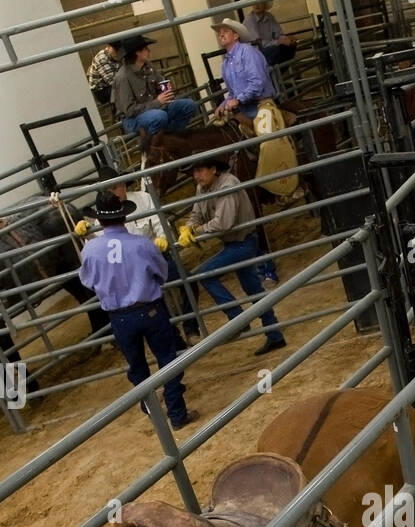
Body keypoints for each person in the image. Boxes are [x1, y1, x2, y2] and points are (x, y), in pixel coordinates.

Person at [79, 191, 197, 429]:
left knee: (137, 365)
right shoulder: (142, 245)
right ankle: (177, 413)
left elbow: (87, 282)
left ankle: (150, 406)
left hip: (118, 316)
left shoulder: (90, 250)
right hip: (150, 309)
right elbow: (161, 274)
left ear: (99, 221)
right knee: (167, 358)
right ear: (124, 217)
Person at [178, 156, 286, 356]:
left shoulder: (228, 184)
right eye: (194, 172)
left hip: (243, 241)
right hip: (236, 241)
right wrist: (189, 227)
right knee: (253, 289)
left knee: (205, 274)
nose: (196, 176)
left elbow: (223, 223)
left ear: (213, 169)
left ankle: (237, 319)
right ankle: (275, 335)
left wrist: (197, 231)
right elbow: (197, 213)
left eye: (200, 170)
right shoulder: (203, 187)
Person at [74, 172, 202, 341]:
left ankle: (191, 328)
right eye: (108, 189)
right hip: (132, 268)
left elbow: (158, 222)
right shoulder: (102, 216)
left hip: (154, 256)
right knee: (153, 301)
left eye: (115, 187)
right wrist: (88, 233)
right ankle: (174, 337)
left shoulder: (144, 198)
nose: (113, 192)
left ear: (124, 185)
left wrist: (163, 237)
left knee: (188, 281)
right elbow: (102, 243)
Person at [111, 34, 198, 138]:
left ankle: (173, 137)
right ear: (137, 52)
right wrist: (157, 102)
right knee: (159, 117)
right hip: (133, 119)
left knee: (189, 105)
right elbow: (130, 111)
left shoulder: (149, 66)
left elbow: (161, 82)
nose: (149, 51)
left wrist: (166, 92)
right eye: (146, 49)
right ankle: (153, 147)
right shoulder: (123, 77)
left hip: (155, 109)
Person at [212, 16, 278, 117]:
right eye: (220, 33)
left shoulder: (248, 52)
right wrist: (223, 105)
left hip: (260, 105)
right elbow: (232, 93)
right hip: (243, 109)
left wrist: (238, 100)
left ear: (235, 36)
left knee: (264, 129)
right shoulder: (225, 64)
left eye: (225, 31)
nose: (221, 35)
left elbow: (257, 82)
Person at [243, 0, 298, 69]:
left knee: (290, 46)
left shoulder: (269, 17)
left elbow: (278, 34)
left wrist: (286, 39)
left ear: (264, 5)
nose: (256, 5)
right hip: (256, 53)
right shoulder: (249, 20)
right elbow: (259, 44)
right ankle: (273, 75)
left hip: (268, 49)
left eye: (260, 2)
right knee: (274, 50)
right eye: (254, 2)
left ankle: (277, 73)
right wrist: (279, 41)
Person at [86, 41, 122, 106]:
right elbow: (111, 81)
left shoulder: (118, 55)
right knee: (125, 89)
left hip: (113, 86)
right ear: (108, 47)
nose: (117, 52)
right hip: (101, 91)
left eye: (119, 49)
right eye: (115, 49)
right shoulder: (102, 57)